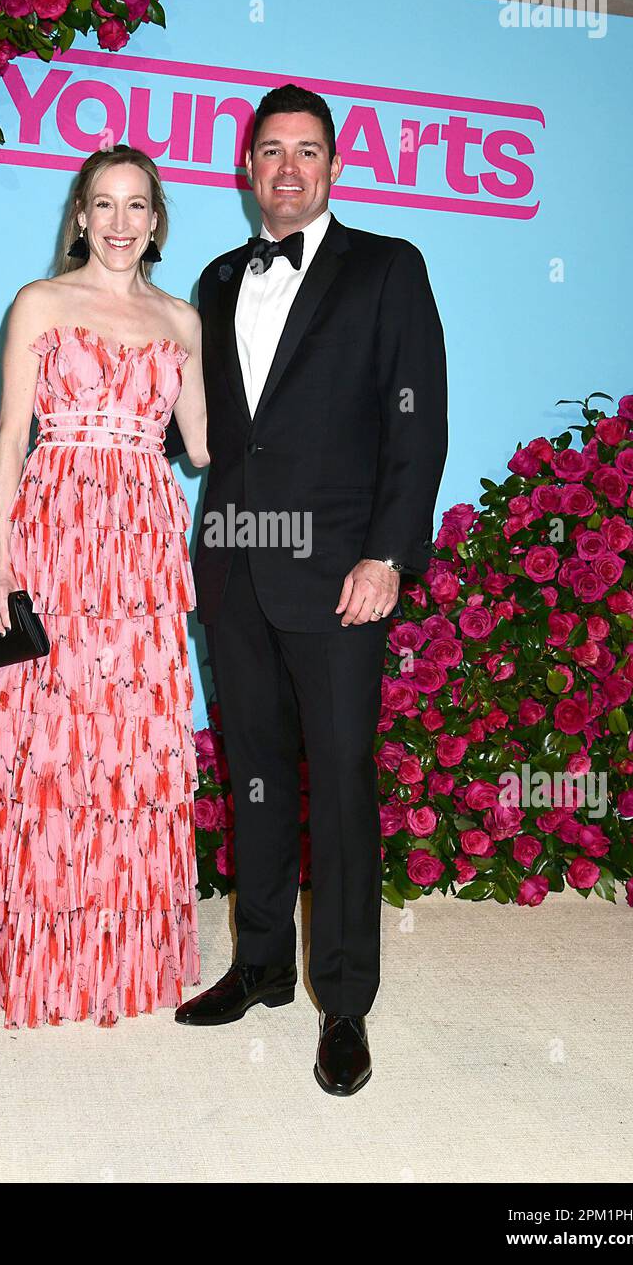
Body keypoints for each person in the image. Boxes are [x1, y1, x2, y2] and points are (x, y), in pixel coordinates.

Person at [169, 84, 448, 1095]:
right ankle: (256, 967)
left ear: (331, 168)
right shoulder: (208, 279)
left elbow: (416, 429)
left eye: (307, 151)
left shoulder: (385, 268)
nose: (288, 168)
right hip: (234, 564)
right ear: (245, 168)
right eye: (270, 151)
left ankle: (343, 1002)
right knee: (251, 773)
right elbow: (194, 431)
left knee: (336, 788)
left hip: (339, 576)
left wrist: (387, 555)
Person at [0, 145, 210, 1028]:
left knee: (131, 741)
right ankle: (38, 957)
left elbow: (208, 446)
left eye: (138, 206)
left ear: (157, 220)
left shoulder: (182, 321)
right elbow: (9, 442)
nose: (121, 223)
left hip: (141, 540)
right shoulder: (39, 303)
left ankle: (123, 962)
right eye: (104, 205)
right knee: (52, 737)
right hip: (56, 532)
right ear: (80, 216)